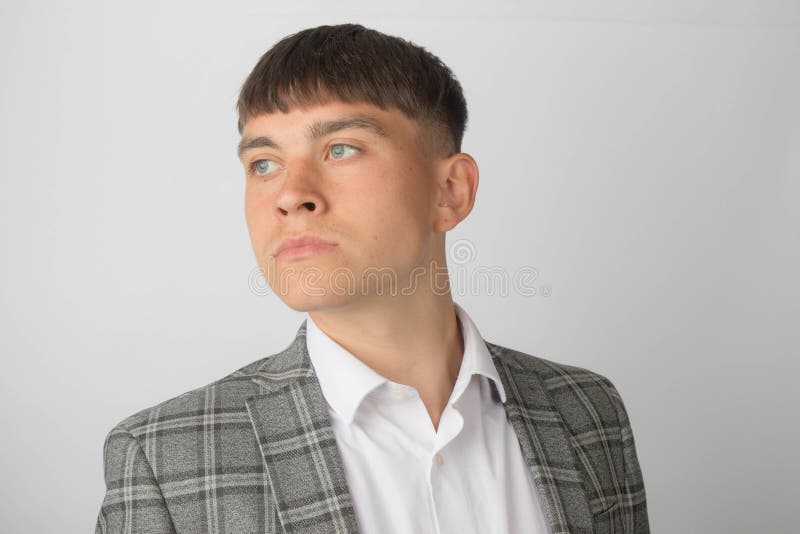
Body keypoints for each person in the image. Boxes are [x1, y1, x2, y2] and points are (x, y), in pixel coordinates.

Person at [95, 23, 650, 534]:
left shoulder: (588, 413)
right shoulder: (164, 459)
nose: (290, 194)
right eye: (263, 162)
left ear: (450, 191)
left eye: (341, 148)